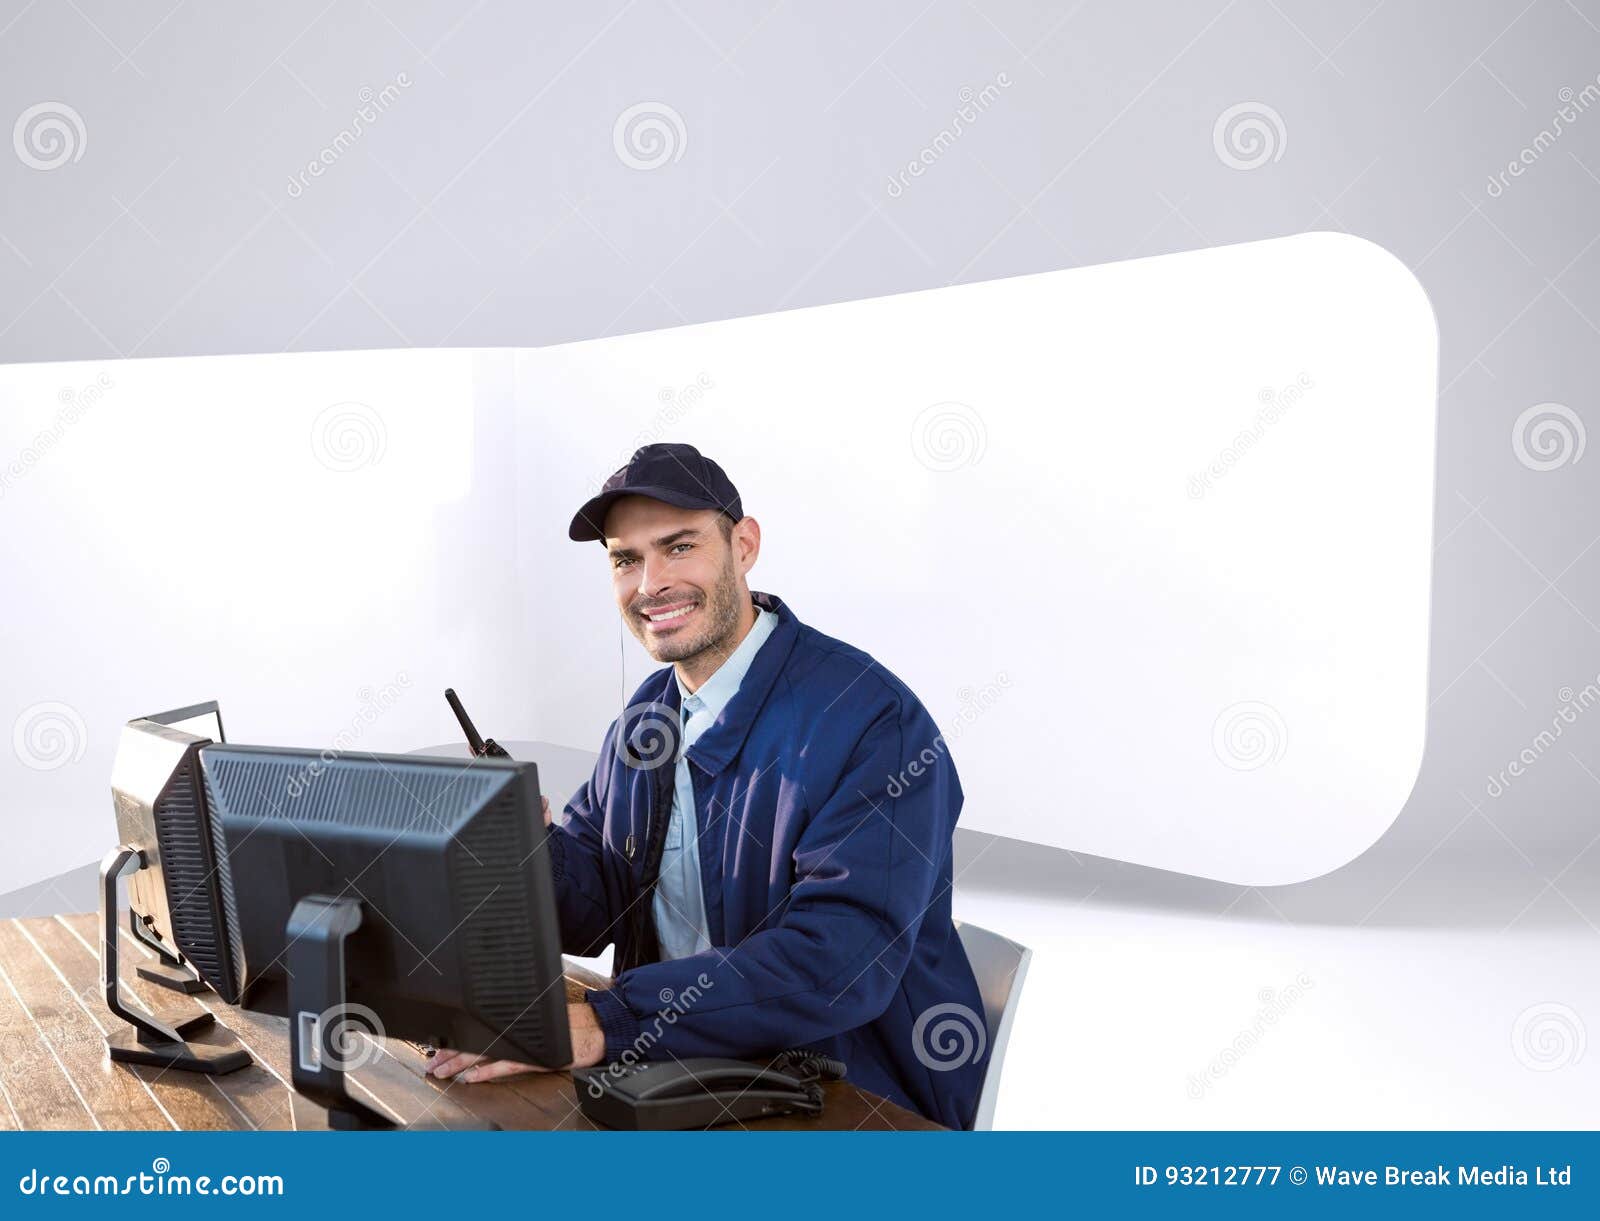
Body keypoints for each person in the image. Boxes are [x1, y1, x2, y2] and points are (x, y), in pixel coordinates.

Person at [428, 442, 987, 1128]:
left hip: (849, 1099)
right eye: (625, 559)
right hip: (673, 1070)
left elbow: (840, 960)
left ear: (743, 545)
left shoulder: (873, 722)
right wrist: (524, 840)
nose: (649, 583)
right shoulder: (647, 719)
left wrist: (606, 1022)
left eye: (679, 546)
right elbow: (595, 905)